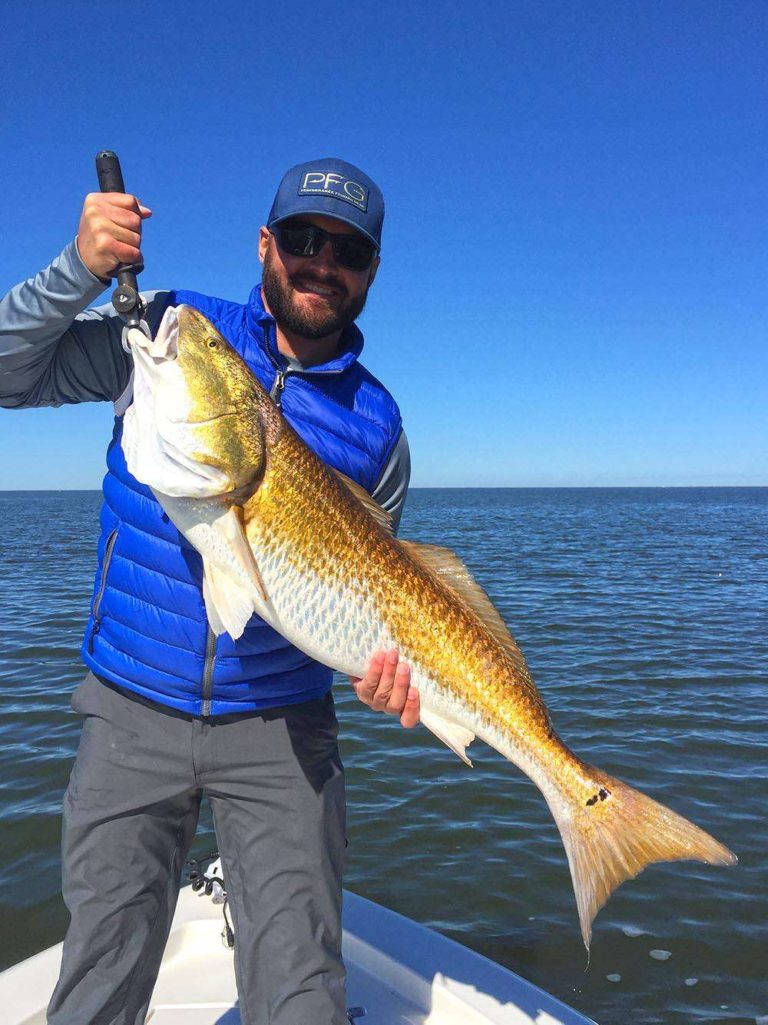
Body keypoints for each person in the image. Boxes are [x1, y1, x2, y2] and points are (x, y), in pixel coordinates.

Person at [0, 157, 419, 1025]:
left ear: (371, 270)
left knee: (303, 995)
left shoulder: (379, 426)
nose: (321, 261)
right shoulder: (168, 333)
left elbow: (375, 596)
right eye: (303, 238)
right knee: (96, 985)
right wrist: (78, 269)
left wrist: (387, 676)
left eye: (348, 249)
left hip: (283, 729)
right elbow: (7, 371)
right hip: (130, 708)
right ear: (266, 244)